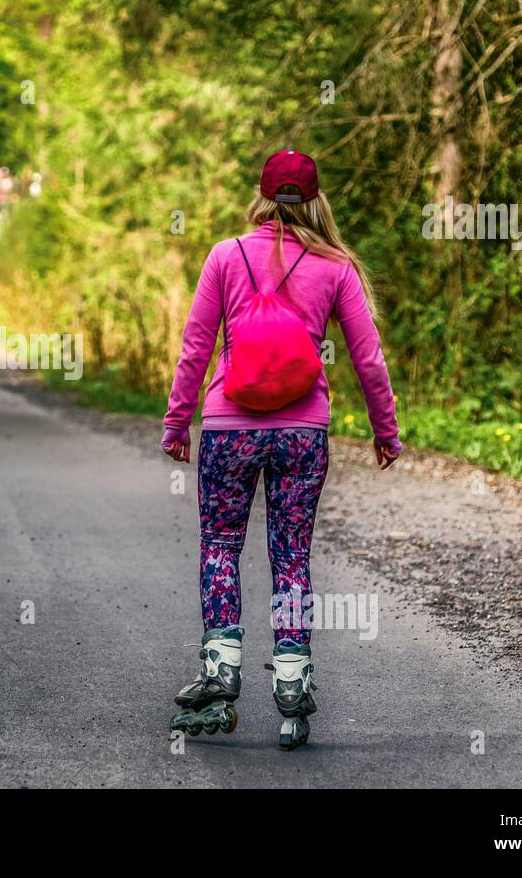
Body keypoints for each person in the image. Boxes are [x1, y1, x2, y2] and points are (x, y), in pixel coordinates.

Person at [162, 149, 401, 750]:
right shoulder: (337, 266)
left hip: (228, 428)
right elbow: (368, 355)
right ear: (317, 200)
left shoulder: (225, 255)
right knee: (291, 552)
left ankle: (221, 668)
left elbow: (196, 345)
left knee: (221, 544)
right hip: (303, 432)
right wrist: (384, 429)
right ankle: (292, 681)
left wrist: (177, 420)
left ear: (262, 196)